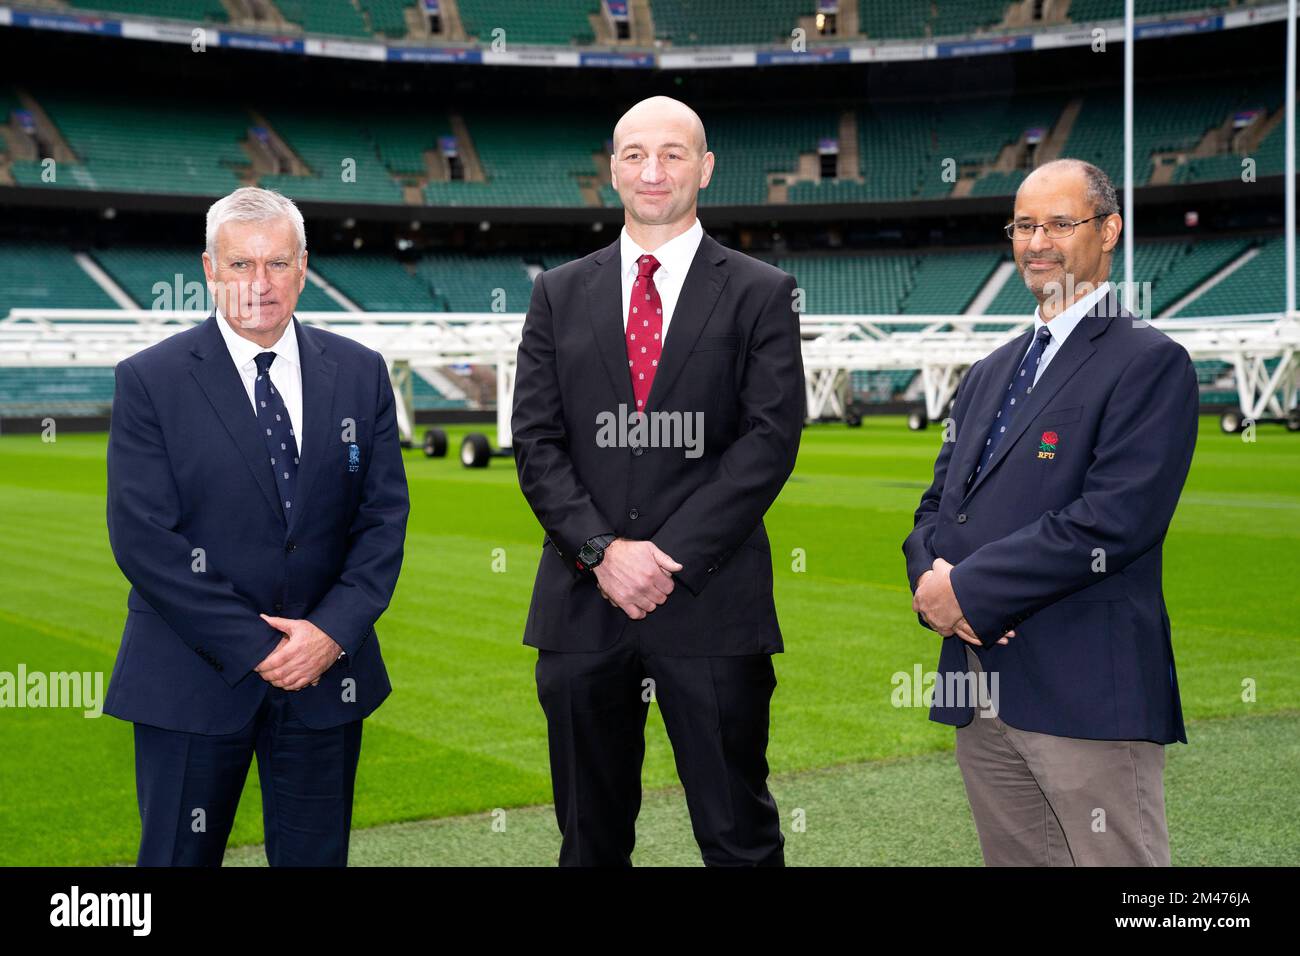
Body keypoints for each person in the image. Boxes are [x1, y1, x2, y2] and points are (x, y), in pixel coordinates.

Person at [511, 96, 805, 866]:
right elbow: (536, 443)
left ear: (704, 168)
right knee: (590, 839)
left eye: (673, 154)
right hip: (583, 607)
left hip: (711, 605)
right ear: (612, 169)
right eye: (636, 153)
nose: (653, 170)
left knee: (738, 834)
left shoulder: (760, 291)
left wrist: (663, 555)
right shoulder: (557, 293)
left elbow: (769, 443)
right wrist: (604, 551)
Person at [903, 158, 1199, 866]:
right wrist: (932, 589)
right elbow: (938, 508)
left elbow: (1113, 520)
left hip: (1086, 690)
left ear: (1109, 231)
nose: (1038, 242)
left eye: (1060, 224)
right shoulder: (987, 372)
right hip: (979, 688)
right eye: (1025, 225)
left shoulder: (1149, 363)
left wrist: (975, 592)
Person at [104, 186, 409, 866]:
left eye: (277, 264)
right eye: (240, 265)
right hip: (190, 680)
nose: (259, 284)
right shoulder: (150, 380)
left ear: (305, 267)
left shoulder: (360, 373)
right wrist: (258, 646)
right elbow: (143, 538)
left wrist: (330, 633)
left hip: (327, 680)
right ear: (209, 269)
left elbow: (383, 518)